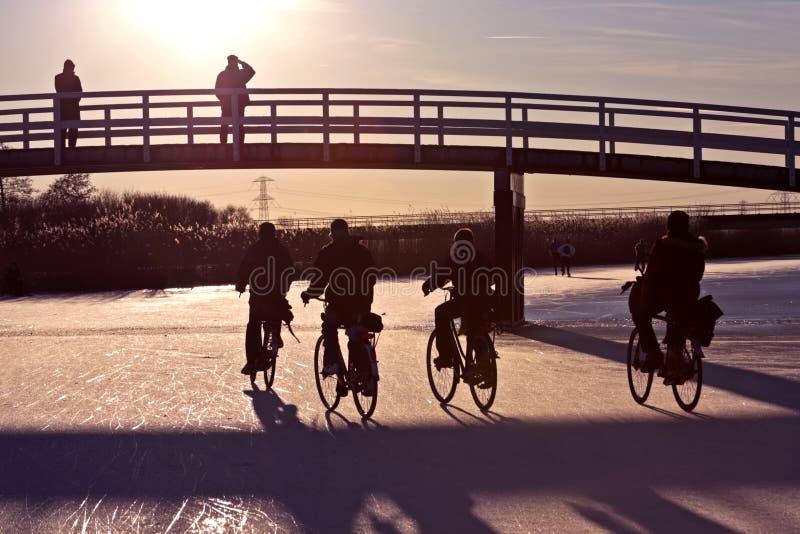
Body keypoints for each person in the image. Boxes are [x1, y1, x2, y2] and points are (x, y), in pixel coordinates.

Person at [301, 219, 376, 390]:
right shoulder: (363, 251)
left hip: (338, 304)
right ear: (347, 232)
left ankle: (332, 362)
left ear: (332, 234)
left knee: (329, 326)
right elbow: (372, 277)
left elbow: (319, 280)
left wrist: (309, 294)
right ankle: (364, 372)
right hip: (361, 304)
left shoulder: (328, 252)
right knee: (356, 331)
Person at [632, 211, 707, 383]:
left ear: (669, 226)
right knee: (678, 317)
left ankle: (654, 354)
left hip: (664, 294)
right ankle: (676, 356)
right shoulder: (697, 246)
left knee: (640, 314)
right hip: (689, 295)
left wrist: (645, 290)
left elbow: (652, 274)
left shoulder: (663, 245)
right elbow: (698, 273)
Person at [422, 228, 494, 376]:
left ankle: (446, 356)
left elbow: (442, 275)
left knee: (441, 313)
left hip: (465, 302)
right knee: (475, 326)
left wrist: (428, 285)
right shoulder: (481, 256)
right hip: (485, 302)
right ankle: (482, 364)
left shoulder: (455, 257)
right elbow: (493, 276)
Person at [236, 222, 295, 375]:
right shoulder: (281, 250)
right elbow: (290, 270)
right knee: (276, 313)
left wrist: (241, 285)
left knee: (253, 324)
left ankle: (251, 361)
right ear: (274, 233)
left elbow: (244, 269)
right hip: (277, 293)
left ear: (260, 233)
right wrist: (284, 287)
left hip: (259, 295)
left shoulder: (254, 250)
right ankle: (275, 335)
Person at [215, 55, 255, 144]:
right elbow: (251, 71)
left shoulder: (223, 75)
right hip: (238, 104)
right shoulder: (240, 74)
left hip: (227, 104)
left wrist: (224, 100)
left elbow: (217, 91)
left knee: (225, 125)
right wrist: (241, 62)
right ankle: (239, 144)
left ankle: (223, 145)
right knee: (237, 125)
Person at [54, 59, 83, 149]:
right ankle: (64, 149)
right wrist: (73, 99)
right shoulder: (59, 78)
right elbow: (59, 91)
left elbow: (79, 93)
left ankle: (71, 148)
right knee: (63, 130)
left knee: (73, 130)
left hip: (68, 108)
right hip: (67, 108)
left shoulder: (59, 78)